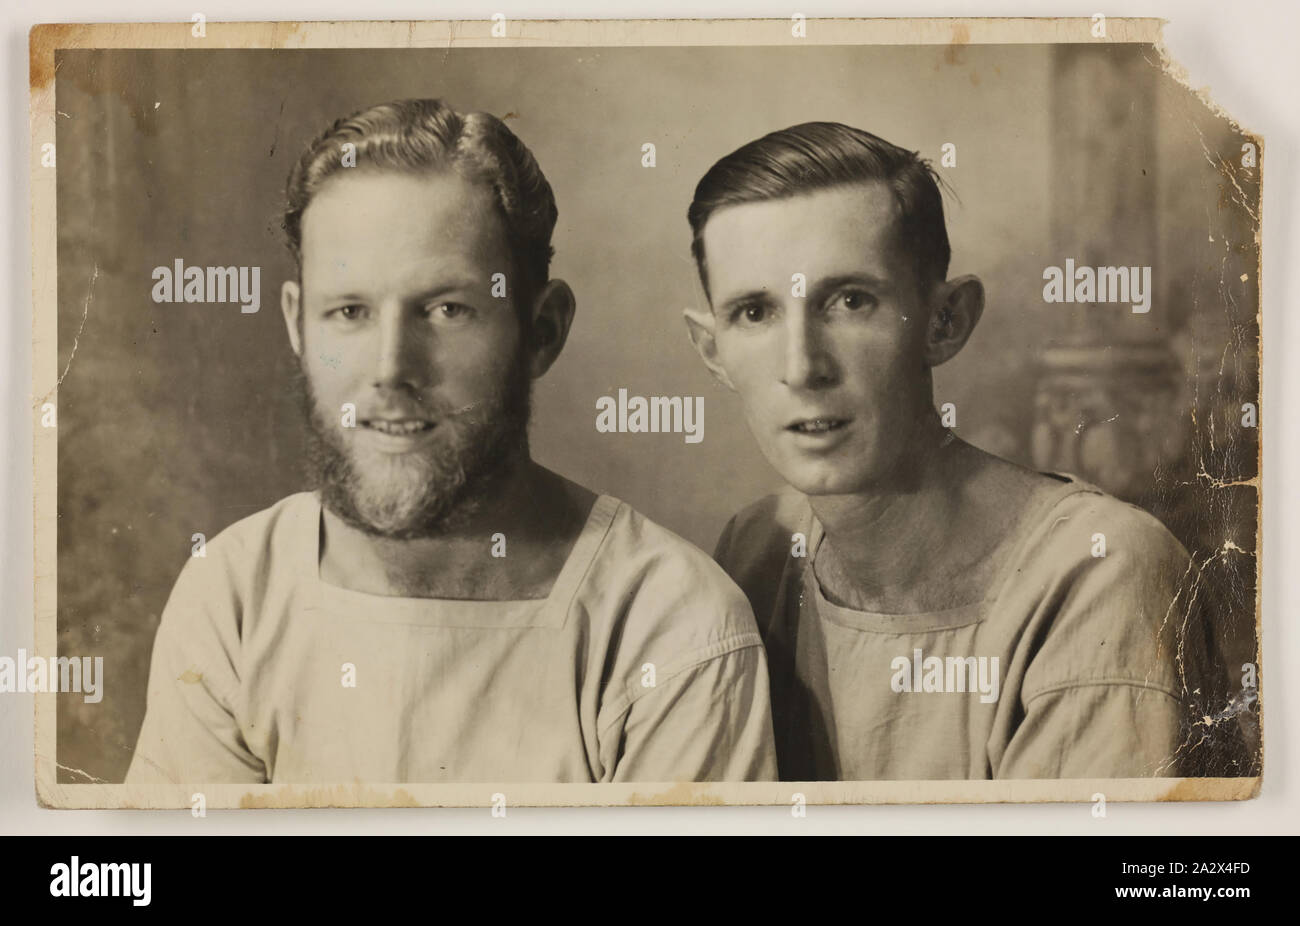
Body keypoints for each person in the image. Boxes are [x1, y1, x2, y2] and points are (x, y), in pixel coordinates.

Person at [126, 99, 776, 784]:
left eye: (446, 310)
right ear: (298, 326)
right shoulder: (232, 596)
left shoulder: (666, 626)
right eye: (348, 312)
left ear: (543, 331)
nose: (389, 369)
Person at [682, 121, 1230, 780]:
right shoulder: (759, 550)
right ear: (712, 351)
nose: (801, 367)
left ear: (946, 322)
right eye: (754, 313)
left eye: (851, 301)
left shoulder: (1098, 575)